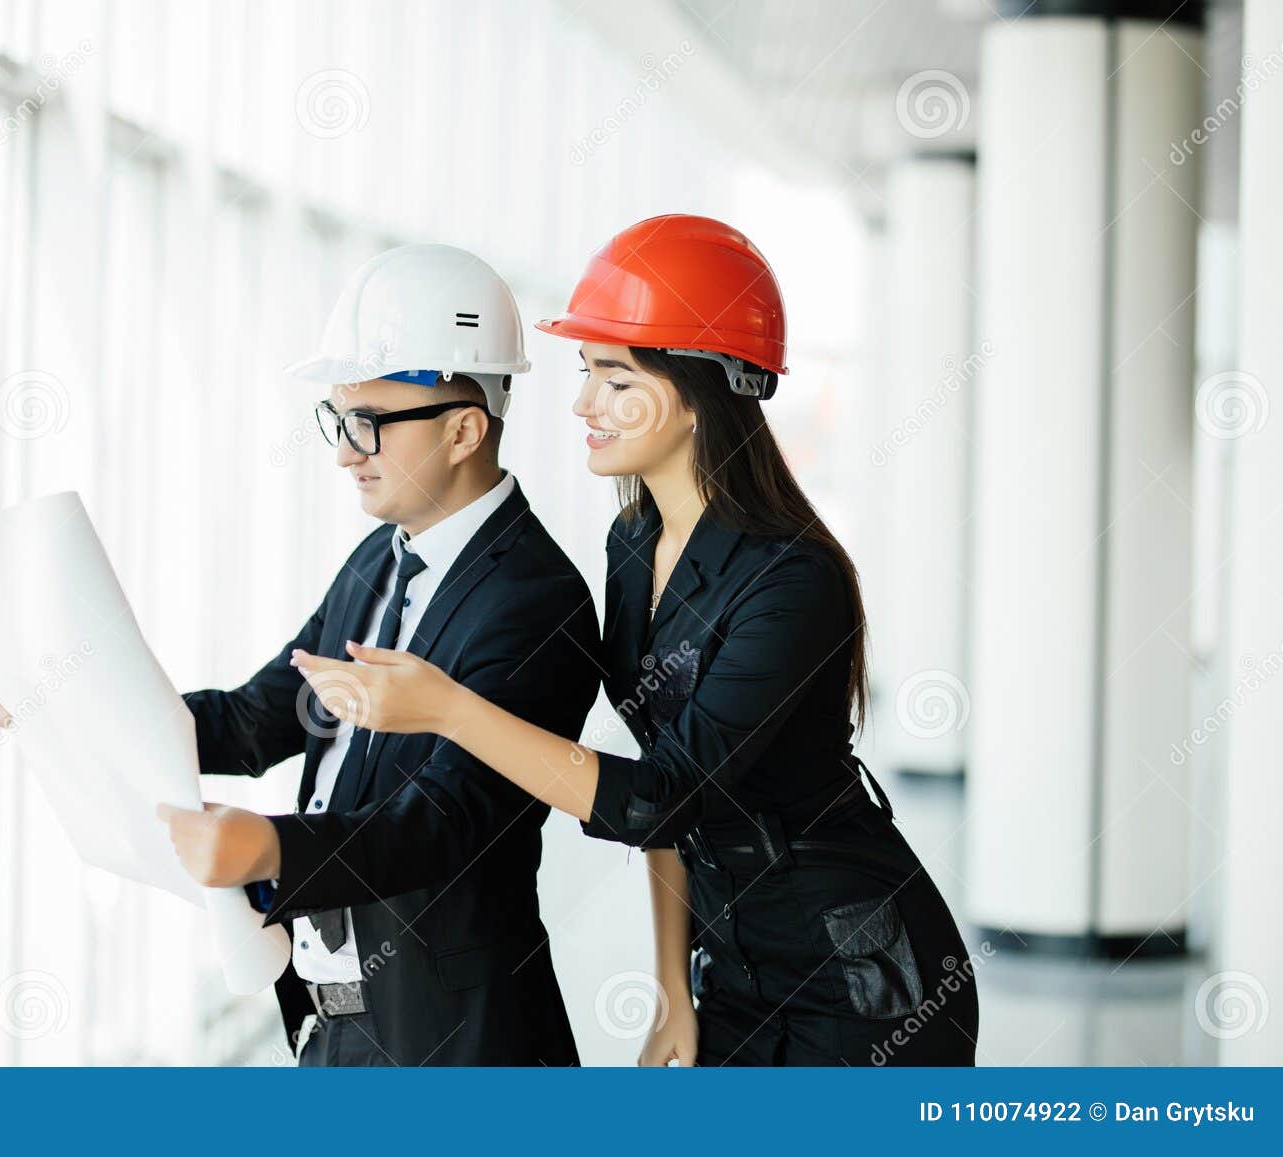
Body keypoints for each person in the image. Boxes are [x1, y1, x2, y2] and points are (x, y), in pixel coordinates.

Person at [291, 215, 980, 1066]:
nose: (583, 403)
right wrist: (671, 991)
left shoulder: (791, 582)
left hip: (860, 977)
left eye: (616, 379)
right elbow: (670, 791)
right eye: (586, 373)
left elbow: (659, 797)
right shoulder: (635, 543)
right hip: (732, 967)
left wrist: (451, 710)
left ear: (698, 390)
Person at [0, 243, 600, 1066]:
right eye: (338, 421)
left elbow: (444, 823)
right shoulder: (381, 561)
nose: (344, 452)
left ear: (464, 430)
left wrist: (274, 848)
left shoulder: (535, 599)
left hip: (456, 1042)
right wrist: (52, 700)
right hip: (335, 1028)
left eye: (367, 424)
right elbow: (261, 718)